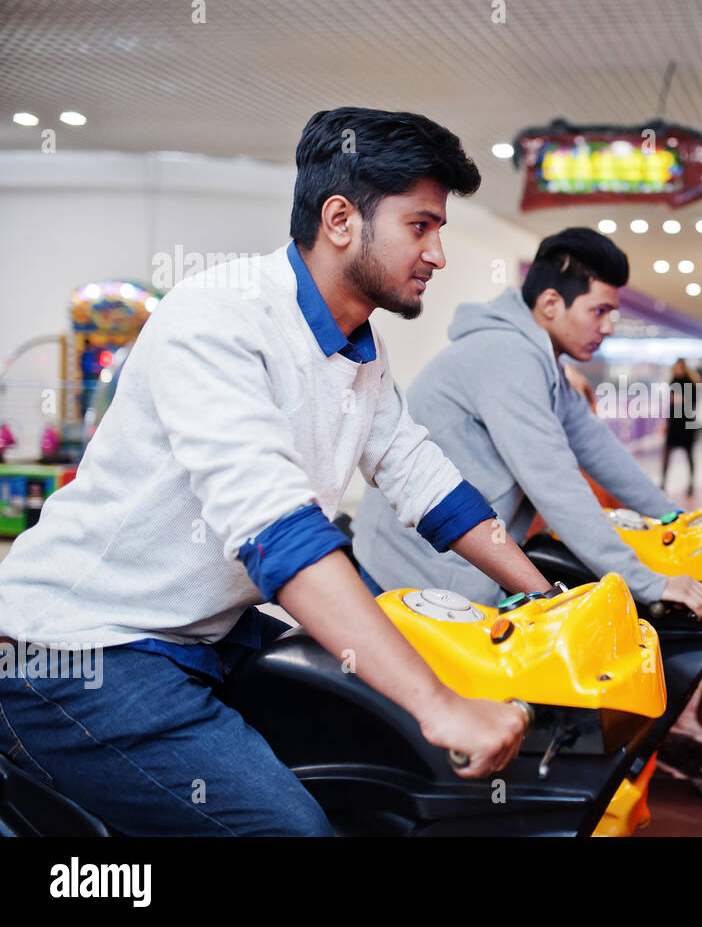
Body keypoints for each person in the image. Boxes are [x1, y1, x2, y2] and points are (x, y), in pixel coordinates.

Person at [0, 107, 551, 836]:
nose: (438, 253)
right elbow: (278, 532)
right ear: (341, 220)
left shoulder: (360, 347)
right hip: (79, 652)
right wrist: (440, 707)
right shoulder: (217, 321)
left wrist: (544, 597)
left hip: (201, 635)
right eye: (421, 226)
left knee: (375, 757)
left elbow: (425, 482)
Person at [352, 228, 702, 619]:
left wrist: (682, 520)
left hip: (450, 568)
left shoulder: (545, 366)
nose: (608, 327)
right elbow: (556, 485)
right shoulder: (510, 356)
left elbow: (602, 451)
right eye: (599, 311)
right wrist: (647, 583)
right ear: (552, 303)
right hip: (409, 577)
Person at [661, 358, 702, 497]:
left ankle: (691, 483)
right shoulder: (673, 383)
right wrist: (666, 424)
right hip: (674, 422)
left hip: (687, 422)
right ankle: (663, 482)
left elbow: (693, 403)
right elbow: (671, 405)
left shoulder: (691, 383)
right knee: (667, 452)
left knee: (689, 453)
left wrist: (683, 399)